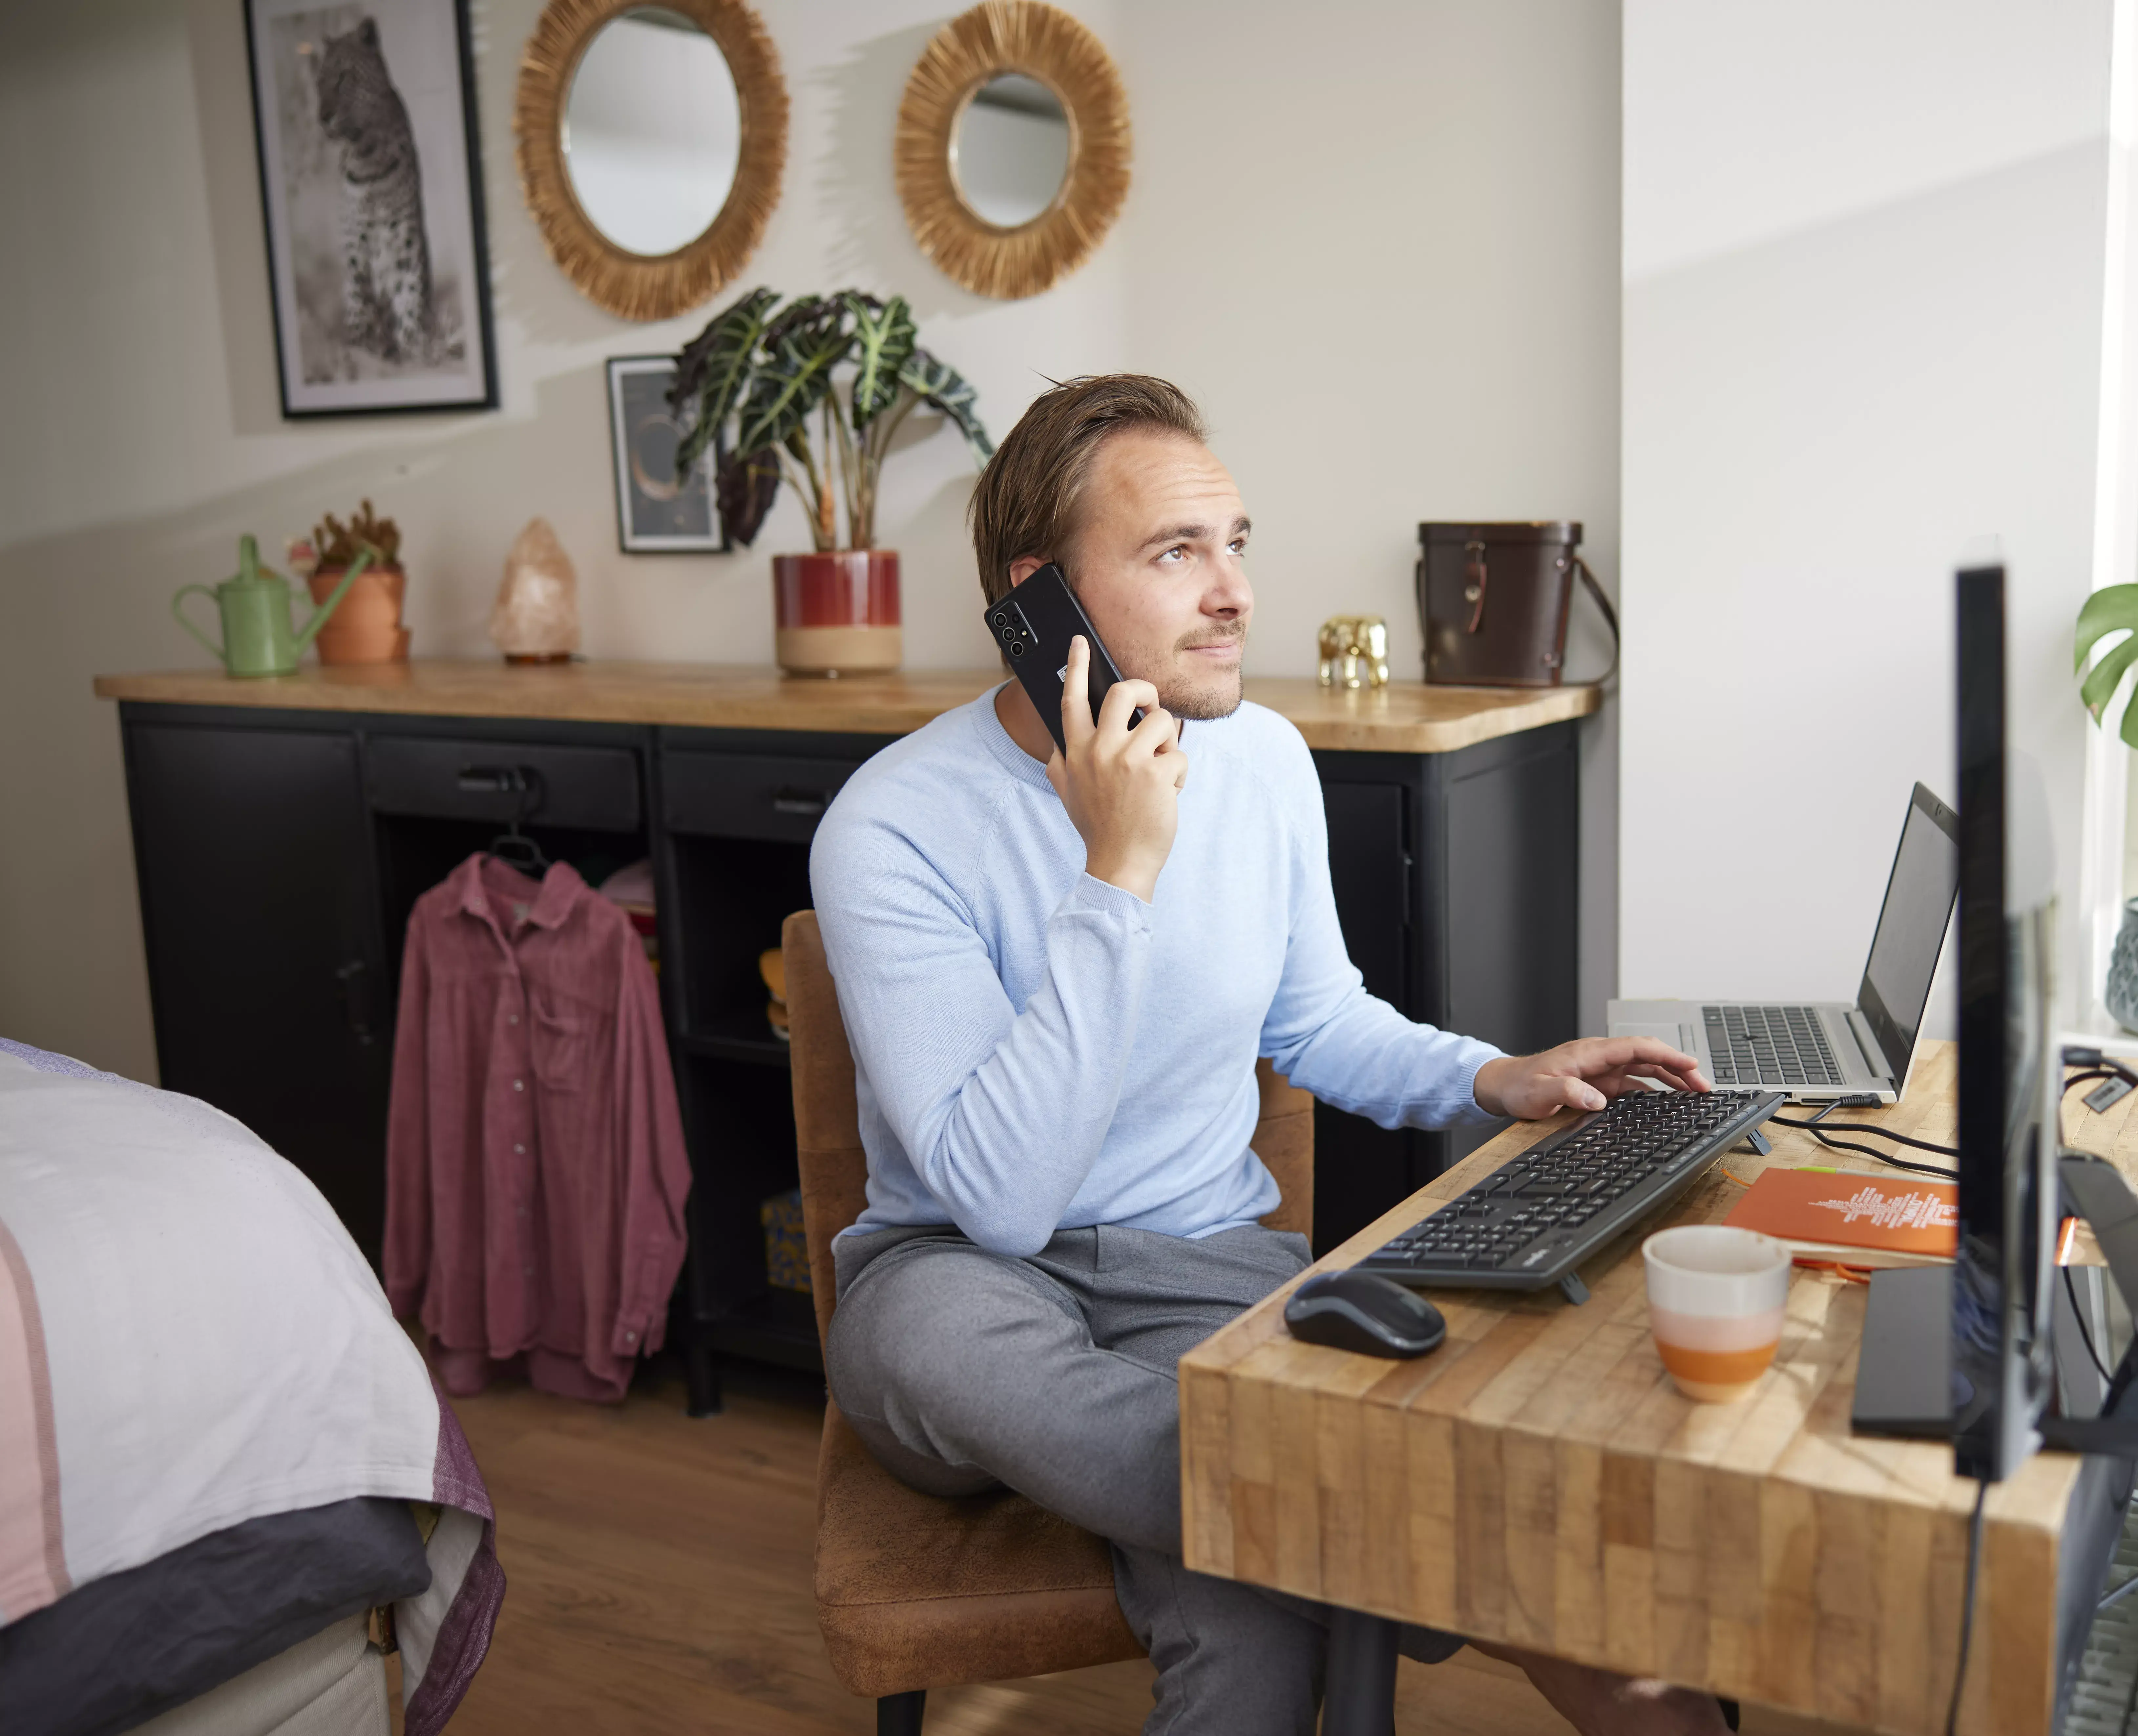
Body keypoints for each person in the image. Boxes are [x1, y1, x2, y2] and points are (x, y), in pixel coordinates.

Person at [810, 375, 1727, 1735]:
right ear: (1037, 592)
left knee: (1250, 1610)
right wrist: (1115, 872)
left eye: (1236, 543)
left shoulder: (1266, 760)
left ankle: (1331, 1509)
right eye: (1177, 552)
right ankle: (1422, 1527)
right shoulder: (890, 826)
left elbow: (1313, 1017)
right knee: (951, 1333)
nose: (1234, 591)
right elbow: (998, 1199)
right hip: (963, 1284)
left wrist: (1498, 1074)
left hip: (1205, 1281)